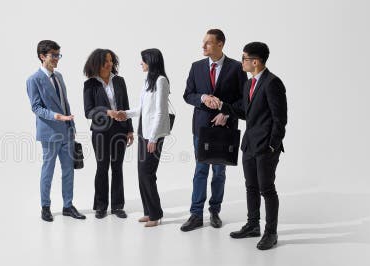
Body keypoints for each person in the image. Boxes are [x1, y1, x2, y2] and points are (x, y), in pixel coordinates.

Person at [206, 42, 288, 250]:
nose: (241, 62)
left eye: (244, 58)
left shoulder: (272, 83)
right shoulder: (248, 84)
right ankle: (253, 225)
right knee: (251, 186)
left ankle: (271, 232)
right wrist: (223, 106)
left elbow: (280, 119)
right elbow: (245, 113)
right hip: (249, 145)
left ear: (255, 61)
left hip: (266, 147)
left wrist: (272, 145)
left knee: (266, 188)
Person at [180, 29, 247, 232]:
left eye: (208, 43)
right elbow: (188, 95)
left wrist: (226, 113)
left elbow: (244, 99)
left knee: (219, 172)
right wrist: (202, 98)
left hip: (225, 128)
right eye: (203, 42)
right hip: (201, 128)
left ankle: (215, 211)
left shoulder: (236, 68)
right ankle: (196, 214)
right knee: (200, 170)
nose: (203, 46)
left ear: (220, 44)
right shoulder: (196, 67)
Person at [26, 40, 86, 222]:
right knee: (48, 171)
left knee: (68, 170)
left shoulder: (59, 77)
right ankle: (45, 207)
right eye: (54, 55)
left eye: (58, 55)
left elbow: (65, 103)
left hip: (66, 131)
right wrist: (56, 116)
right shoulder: (33, 80)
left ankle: (68, 205)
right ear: (42, 56)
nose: (57, 59)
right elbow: (36, 107)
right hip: (49, 132)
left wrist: (71, 126)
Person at [112, 48, 171, 227]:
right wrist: (125, 113)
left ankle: (155, 214)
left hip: (154, 135)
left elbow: (161, 112)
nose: (141, 63)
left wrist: (153, 139)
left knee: (148, 174)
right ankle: (149, 211)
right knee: (142, 174)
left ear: (151, 61)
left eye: (143, 60)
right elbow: (142, 109)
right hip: (142, 132)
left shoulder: (161, 81)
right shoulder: (148, 81)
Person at [83, 49, 135, 219]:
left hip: (120, 130)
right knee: (102, 167)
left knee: (117, 167)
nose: (110, 63)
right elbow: (88, 112)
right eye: (106, 61)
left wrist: (129, 129)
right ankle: (100, 206)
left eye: (111, 60)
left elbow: (126, 106)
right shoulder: (90, 84)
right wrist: (107, 112)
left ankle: (118, 206)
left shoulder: (119, 81)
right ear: (97, 63)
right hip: (100, 132)